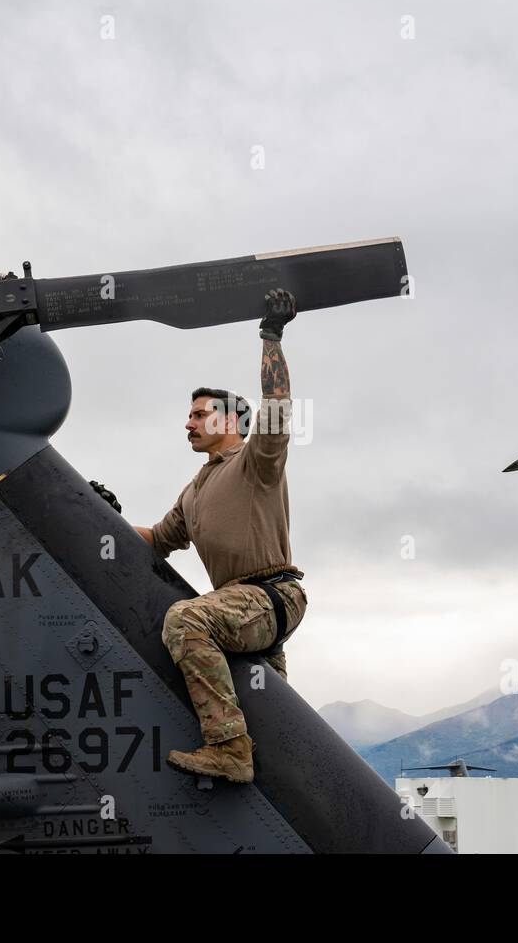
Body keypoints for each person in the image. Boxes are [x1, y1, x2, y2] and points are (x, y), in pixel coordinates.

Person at [133, 288, 307, 784]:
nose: (187, 423)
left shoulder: (257, 462)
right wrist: (97, 512)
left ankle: (228, 748)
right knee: (277, 720)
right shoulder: (195, 490)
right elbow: (156, 540)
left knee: (185, 621)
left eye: (198, 414)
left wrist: (271, 337)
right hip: (241, 606)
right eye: (188, 415)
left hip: (271, 596)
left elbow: (276, 408)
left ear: (230, 421)